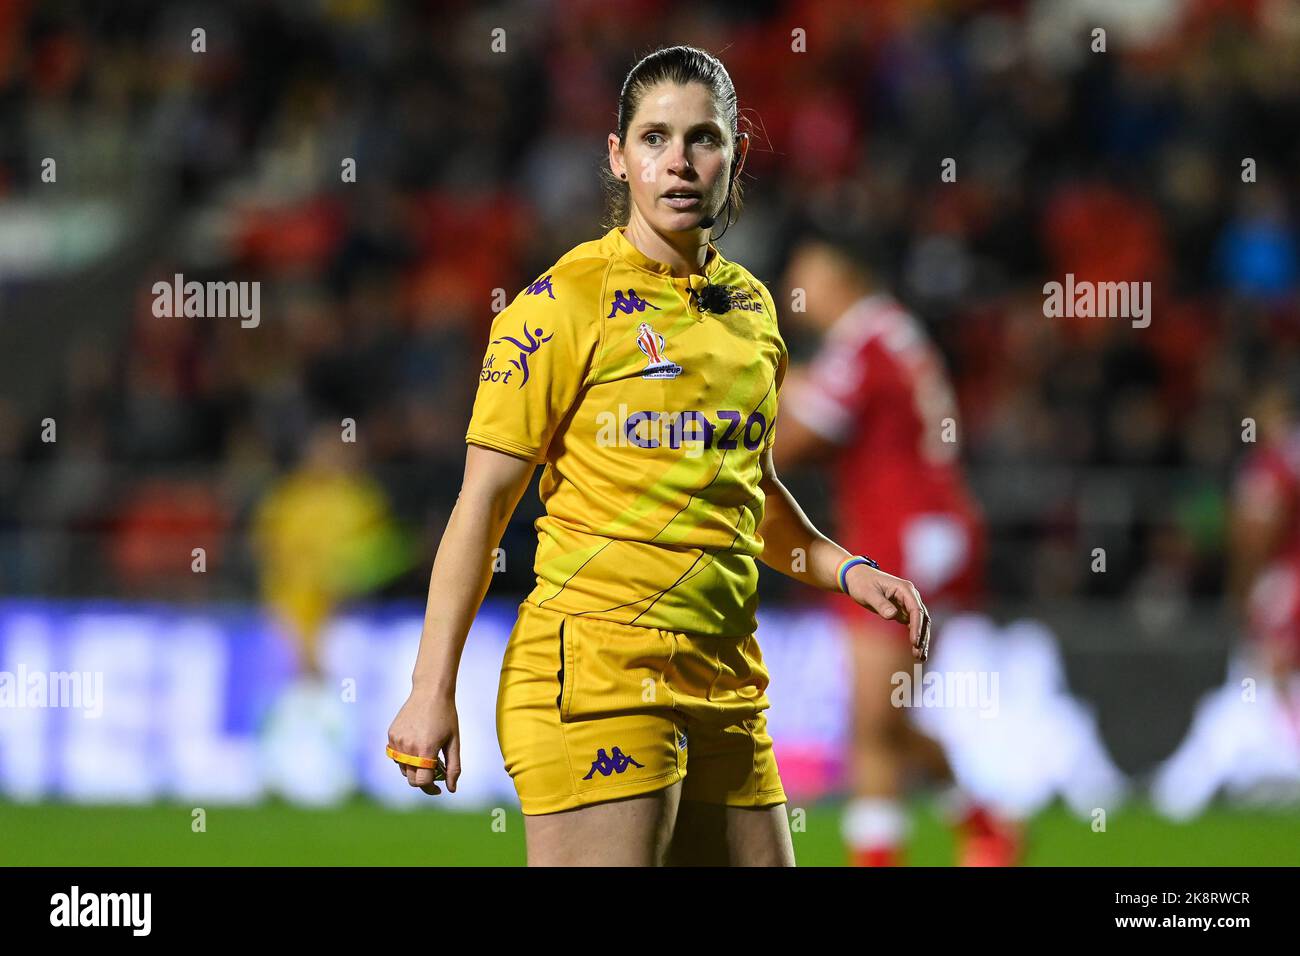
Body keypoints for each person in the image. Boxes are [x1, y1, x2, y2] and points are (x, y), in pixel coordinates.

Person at [387, 45, 931, 867]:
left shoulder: (752, 311)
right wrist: (432, 690)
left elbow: (749, 491)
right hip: (597, 675)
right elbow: (483, 508)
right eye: (653, 138)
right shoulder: (559, 308)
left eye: (702, 138)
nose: (678, 161)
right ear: (618, 156)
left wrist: (845, 569)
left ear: (737, 154)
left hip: (726, 681)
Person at [773, 235, 1020, 866]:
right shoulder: (888, 334)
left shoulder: (863, 341)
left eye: (809, 284)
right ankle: (983, 822)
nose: (799, 302)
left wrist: (716, 425)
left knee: (872, 717)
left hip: (899, 536)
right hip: (930, 531)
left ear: (843, 277)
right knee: (883, 715)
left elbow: (796, 441)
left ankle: (894, 854)